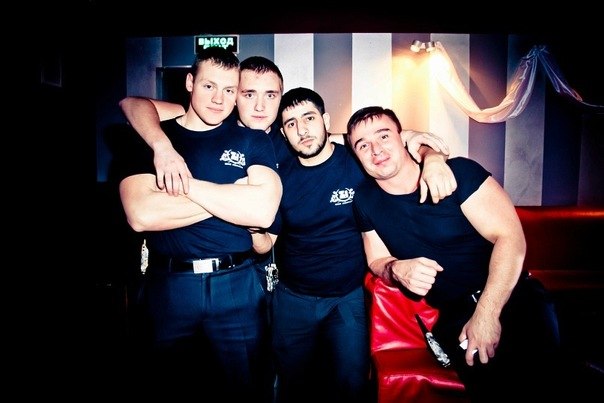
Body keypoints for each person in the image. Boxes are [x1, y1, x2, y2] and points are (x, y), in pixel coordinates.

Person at [250, 88, 456, 403]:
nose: (302, 130)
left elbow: (397, 149)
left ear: (326, 121)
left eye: (309, 118)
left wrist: (432, 156)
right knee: (294, 385)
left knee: (351, 385)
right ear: (283, 133)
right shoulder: (280, 176)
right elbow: (266, 244)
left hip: (347, 298)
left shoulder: (358, 161)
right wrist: (251, 227)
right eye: (291, 124)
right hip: (293, 300)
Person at [345, 106, 564, 402]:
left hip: (513, 296)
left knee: (546, 381)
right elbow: (376, 260)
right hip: (454, 316)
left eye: (384, 136)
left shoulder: (459, 172)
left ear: (403, 137)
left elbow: (510, 238)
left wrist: (487, 314)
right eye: (363, 145)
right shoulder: (364, 200)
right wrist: (396, 268)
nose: (376, 150)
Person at [118, 47, 282, 400]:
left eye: (229, 89)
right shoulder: (154, 137)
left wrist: (184, 187)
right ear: (190, 82)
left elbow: (262, 212)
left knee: (246, 389)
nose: (219, 99)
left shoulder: (253, 139)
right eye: (209, 86)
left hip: (237, 284)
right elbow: (141, 215)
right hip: (168, 286)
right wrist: (232, 195)